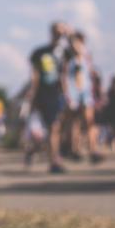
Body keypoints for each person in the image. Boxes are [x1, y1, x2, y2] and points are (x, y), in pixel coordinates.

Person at [25, 22, 70, 174]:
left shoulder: (63, 52)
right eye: (56, 31)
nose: (59, 34)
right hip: (42, 94)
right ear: (51, 32)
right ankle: (49, 158)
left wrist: (69, 33)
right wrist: (32, 93)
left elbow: (65, 74)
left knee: (54, 128)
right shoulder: (40, 52)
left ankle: (47, 157)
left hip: (57, 94)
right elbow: (35, 75)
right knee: (48, 129)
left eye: (61, 32)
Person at [64, 31, 104, 164]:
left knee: (89, 120)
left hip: (85, 90)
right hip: (73, 91)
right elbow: (64, 76)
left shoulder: (86, 55)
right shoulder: (67, 56)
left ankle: (93, 149)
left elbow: (91, 72)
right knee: (74, 121)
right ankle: (75, 149)